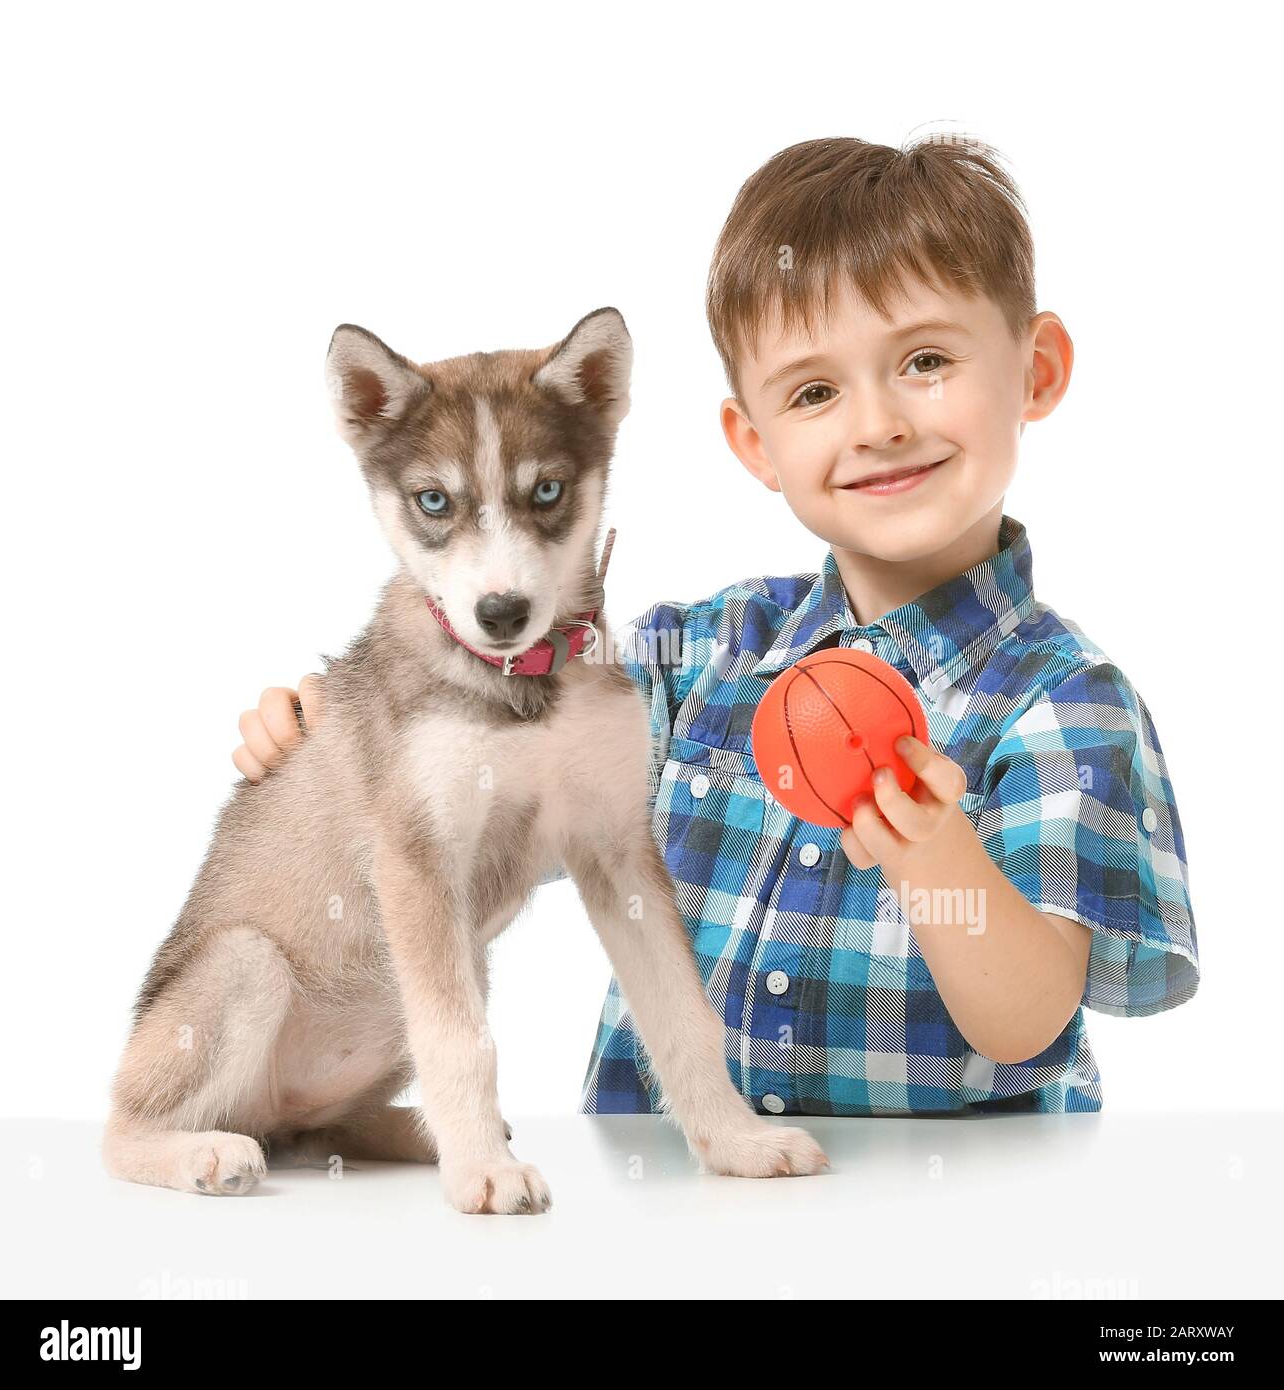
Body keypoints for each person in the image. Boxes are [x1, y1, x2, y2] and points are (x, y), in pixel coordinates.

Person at [232, 135, 1198, 1116]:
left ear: (1036, 372)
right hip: (675, 1188)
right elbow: (484, 819)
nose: (877, 424)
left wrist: (931, 852)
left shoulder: (1065, 703)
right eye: (815, 391)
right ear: (755, 443)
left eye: (925, 361)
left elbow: (1027, 1020)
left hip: (953, 1200)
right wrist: (341, 750)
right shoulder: (688, 658)